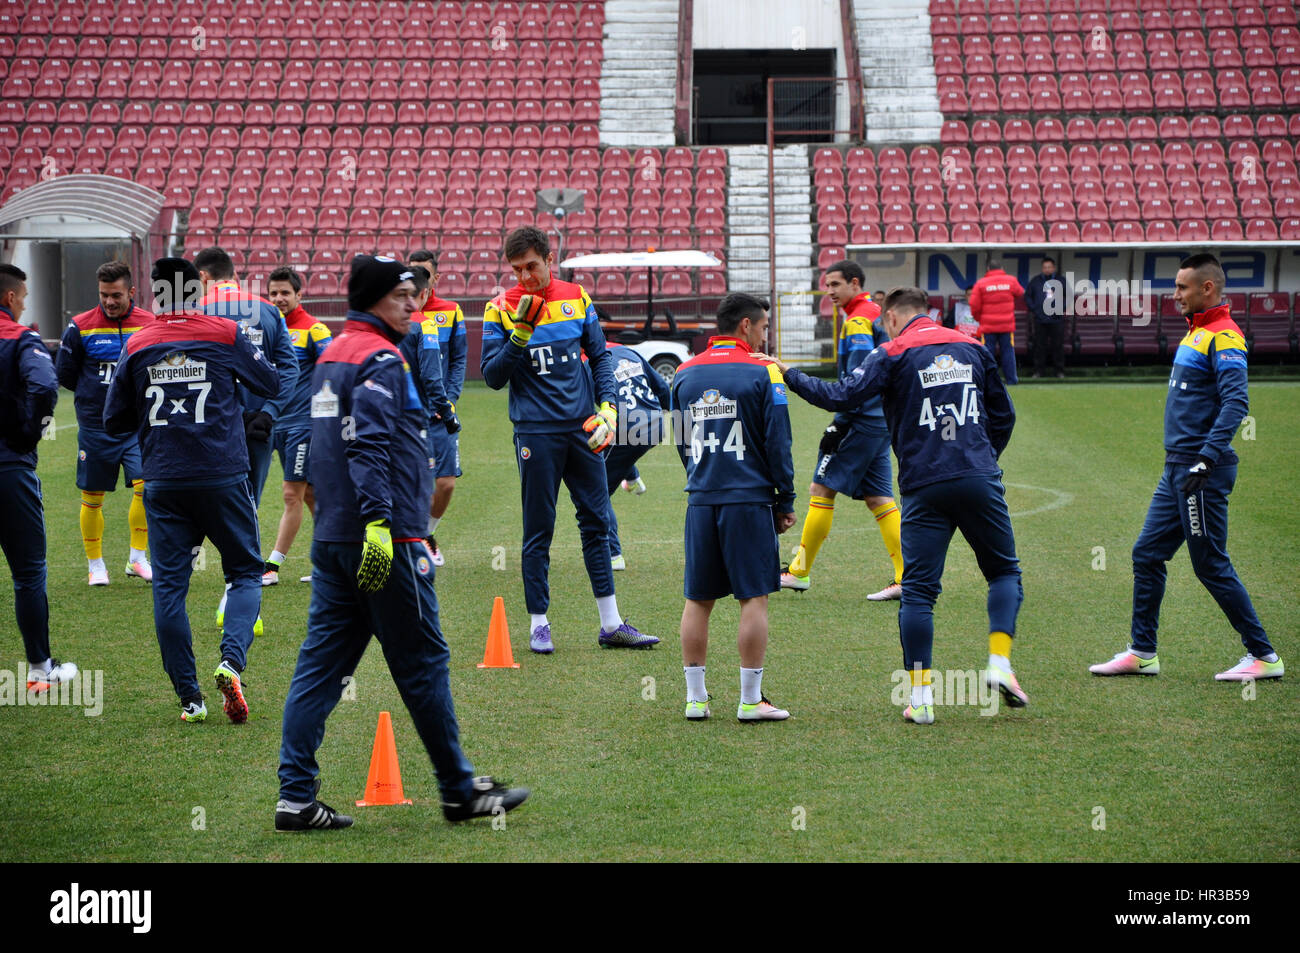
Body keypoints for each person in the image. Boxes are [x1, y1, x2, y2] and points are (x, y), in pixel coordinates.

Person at [276, 255, 528, 831]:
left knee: (321, 668)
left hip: (335, 537)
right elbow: (367, 446)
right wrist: (381, 528)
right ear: (371, 300)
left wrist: (349, 523)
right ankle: (458, 789)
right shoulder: (381, 358)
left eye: (414, 293)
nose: (413, 303)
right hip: (383, 541)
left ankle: (294, 798)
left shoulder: (333, 352)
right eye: (400, 295)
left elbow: (327, 445)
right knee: (423, 663)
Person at [768, 286, 1028, 725]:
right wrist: (982, 458)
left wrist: (788, 372)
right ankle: (1000, 661)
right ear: (928, 312)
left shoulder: (891, 352)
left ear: (890, 317)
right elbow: (1004, 416)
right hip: (978, 476)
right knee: (1003, 572)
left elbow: (840, 396)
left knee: (920, 592)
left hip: (924, 484)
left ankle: (922, 699)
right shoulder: (972, 347)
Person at [1090, 253, 1283, 682]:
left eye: (1182, 287)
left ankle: (1264, 656)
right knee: (1147, 554)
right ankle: (1143, 652)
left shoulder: (1225, 337)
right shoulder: (1196, 333)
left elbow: (1236, 404)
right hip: (1176, 469)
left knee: (1210, 564)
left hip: (1201, 471)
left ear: (1207, 288)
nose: (1174, 295)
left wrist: (1206, 458)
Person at [104, 257, 278, 724]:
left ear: (154, 294)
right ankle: (231, 662)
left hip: (163, 480)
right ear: (198, 289)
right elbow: (270, 381)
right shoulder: (223, 332)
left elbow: (112, 419)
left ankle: (191, 699)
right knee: (244, 572)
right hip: (222, 475)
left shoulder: (138, 343)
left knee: (169, 591)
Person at [482, 226, 658, 653]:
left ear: (548, 259)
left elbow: (600, 358)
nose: (525, 277)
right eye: (517, 269)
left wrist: (609, 409)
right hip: (536, 434)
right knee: (539, 529)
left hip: (583, 431)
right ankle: (539, 624)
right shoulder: (500, 308)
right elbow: (492, 376)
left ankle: (611, 623)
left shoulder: (577, 298)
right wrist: (519, 335)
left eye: (532, 267)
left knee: (596, 523)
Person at [670, 293, 795, 722]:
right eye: (763, 328)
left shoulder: (683, 374)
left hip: (701, 499)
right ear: (746, 326)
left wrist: (700, 476)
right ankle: (749, 700)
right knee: (753, 597)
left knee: (698, 599)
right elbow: (779, 439)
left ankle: (695, 699)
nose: (765, 336)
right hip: (749, 499)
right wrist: (786, 498)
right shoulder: (765, 371)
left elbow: (682, 440)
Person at [782, 260, 902, 601]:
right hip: (880, 420)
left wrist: (841, 423)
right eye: (827, 285)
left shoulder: (859, 320)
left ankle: (798, 571)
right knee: (879, 498)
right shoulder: (874, 311)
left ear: (854, 282)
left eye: (835, 284)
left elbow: (857, 382)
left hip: (861, 419)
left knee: (821, 489)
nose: (830, 292)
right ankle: (906, 577)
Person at [193, 247, 297, 631]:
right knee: (247, 503)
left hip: (206, 427)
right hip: (257, 426)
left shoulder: (196, 311)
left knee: (198, 501)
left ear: (204, 277)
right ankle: (239, 593)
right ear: (233, 275)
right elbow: (289, 367)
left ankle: (183, 581)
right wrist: (270, 411)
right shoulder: (267, 311)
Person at [0, 263, 79, 694]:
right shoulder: (20, 338)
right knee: (28, 572)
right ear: (11, 298)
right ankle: (38, 669)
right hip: (9, 469)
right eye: (24, 297)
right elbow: (46, 386)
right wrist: (29, 432)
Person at [55, 261, 156, 586]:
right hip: (96, 427)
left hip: (139, 427)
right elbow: (66, 375)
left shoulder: (149, 323)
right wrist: (94, 399)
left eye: (115, 295)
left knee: (147, 489)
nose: (109, 301)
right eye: (103, 295)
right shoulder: (80, 327)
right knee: (93, 496)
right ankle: (95, 564)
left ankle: (137, 558)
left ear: (131, 292)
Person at [261, 267, 332, 586]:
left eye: (285, 293)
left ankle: (271, 566)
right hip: (272, 423)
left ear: (299, 295)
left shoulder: (314, 329)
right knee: (312, 496)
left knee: (292, 493)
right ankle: (332, 561)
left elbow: (334, 370)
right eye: (273, 293)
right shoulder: (264, 328)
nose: (278, 299)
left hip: (303, 425)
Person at [400, 261, 460, 567]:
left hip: (411, 417)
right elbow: (432, 377)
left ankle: (424, 535)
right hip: (413, 419)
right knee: (412, 482)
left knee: (442, 482)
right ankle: (406, 546)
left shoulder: (445, 315)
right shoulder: (425, 325)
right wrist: (446, 412)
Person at [598, 341, 671, 570]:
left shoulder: (589, 363)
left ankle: (613, 555)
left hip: (627, 430)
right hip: (656, 424)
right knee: (615, 453)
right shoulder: (629, 352)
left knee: (596, 490)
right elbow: (662, 388)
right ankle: (633, 479)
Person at [969, 258, 1024, 385]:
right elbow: (1020, 293)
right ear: (1002, 269)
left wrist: (979, 318)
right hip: (1007, 325)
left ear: (988, 269)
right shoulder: (1011, 280)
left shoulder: (981, 283)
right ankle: (1011, 379)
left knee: (987, 353)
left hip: (988, 326)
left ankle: (989, 380)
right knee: (1008, 352)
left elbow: (974, 305)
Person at [1025, 256, 1065, 379]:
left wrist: (1059, 308)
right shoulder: (1035, 281)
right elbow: (1028, 297)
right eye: (1045, 267)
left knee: (1057, 346)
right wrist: (1035, 309)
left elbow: (1068, 297)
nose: (1047, 269)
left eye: (1049, 267)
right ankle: (1038, 372)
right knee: (1039, 346)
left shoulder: (1061, 280)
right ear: (1042, 268)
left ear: (1054, 268)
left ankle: (1059, 372)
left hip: (1056, 319)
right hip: (1040, 319)